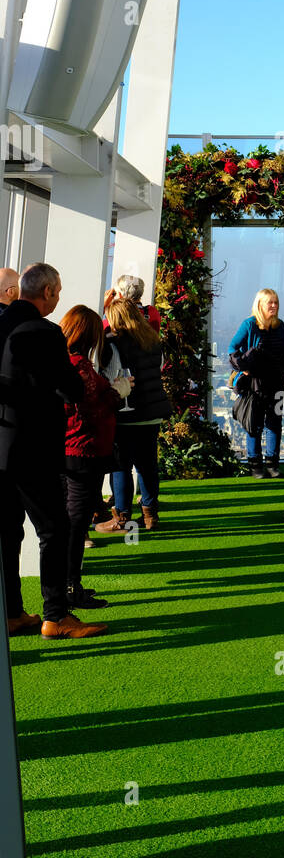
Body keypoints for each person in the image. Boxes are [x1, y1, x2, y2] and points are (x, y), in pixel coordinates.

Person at [0, 263, 107, 638]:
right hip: (33, 448)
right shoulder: (45, 332)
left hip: (1, 449)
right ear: (46, 292)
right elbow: (70, 390)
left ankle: (12, 613)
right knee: (54, 529)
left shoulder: (1, 324)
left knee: (9, 533)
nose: (58, 298)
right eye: (57, 292)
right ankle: (55, 615)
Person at [59, 306, 131, 609]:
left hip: (77, 451)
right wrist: (118, 393)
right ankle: (70, 587)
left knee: (74, 520)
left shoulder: (69, 364)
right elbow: (89, 410)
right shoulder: (79, 366)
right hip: (83, 452)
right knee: (75, 522)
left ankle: (70, 585)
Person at [96, 299, 172, 531]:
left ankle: (122, 516)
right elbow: (158, 369)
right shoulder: (152, 339)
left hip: (127, 413)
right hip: (153, 412)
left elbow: (111, 376)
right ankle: (150, 515)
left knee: (121, 465)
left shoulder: (112, 344)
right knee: (147, 465)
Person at [229, 288, 284, 478]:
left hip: (277, 381)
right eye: (269, 302)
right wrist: (243, 368)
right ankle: (255, 465)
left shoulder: (280, 326)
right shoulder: (249, 324)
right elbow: (233, 347)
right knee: (253, 423)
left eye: (276, 302)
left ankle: (273, 464)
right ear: (259, 304)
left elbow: (283, 350)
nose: (273, 306)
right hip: (255, 383)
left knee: (275, 422)